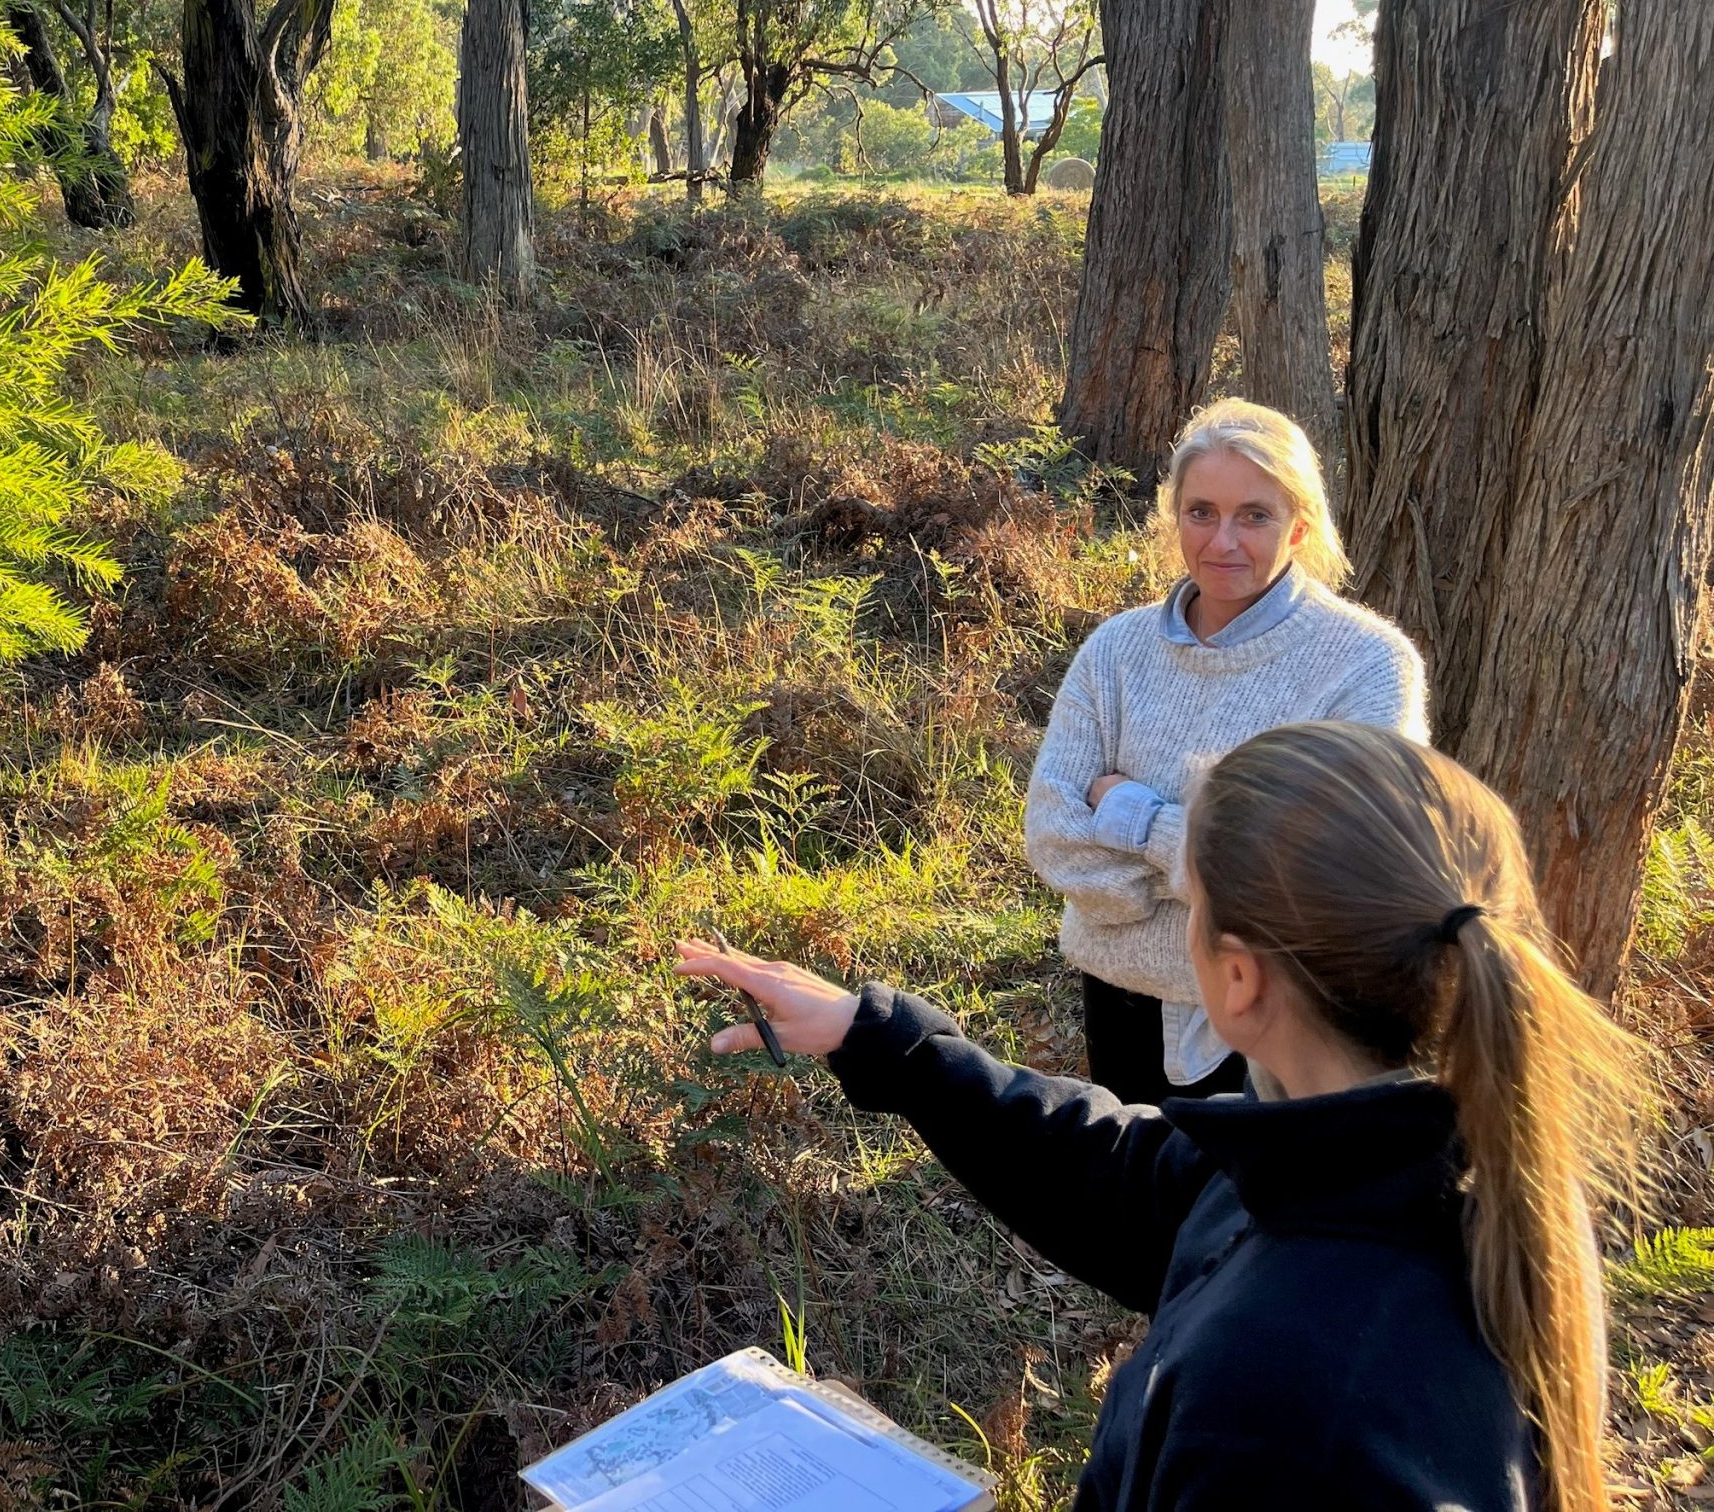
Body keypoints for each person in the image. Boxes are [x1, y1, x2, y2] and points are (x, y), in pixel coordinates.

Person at [677, 722, 1648, 1512]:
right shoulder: (1420, 1166)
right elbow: (1124, 1174)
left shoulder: (1276, 1414)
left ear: (1237, 980)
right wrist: (880, 1038)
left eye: (1191, 902)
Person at [1028, 398, 1425, 1104]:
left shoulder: (1366, 665)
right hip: (1116, 993)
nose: (1223, 541)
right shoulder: (1116, 652)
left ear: (1299, 526)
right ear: (1174, 517)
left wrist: (1132, 817)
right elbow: (1054, 836)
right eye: (1202, 512)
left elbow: (1320, 884)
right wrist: (1220, 865)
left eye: (1255, 515)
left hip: (1274, 1017)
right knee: (1130, 1174)